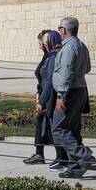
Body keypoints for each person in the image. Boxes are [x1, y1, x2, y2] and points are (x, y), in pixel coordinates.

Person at [50, 16, 94, 179]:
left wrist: (61, 96)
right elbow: (87, 68)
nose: (59, 31)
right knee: (72, 130)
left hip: (69, 93)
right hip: (80, 90)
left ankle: (83, 155)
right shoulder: (81, 46)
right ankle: (75, 166)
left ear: (64, 30)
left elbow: (66, 72)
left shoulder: (68, 48)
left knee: (58, 129)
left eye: (60, 28)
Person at [24, 30, 69, 169]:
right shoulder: (48, 56)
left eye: (42, 43)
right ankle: (43, 154)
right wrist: (39, 92)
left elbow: (49, 80)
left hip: (50, 97)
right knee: (43, 125)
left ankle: (63, 158)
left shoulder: (53, 57)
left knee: (52, 127)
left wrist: (42, 100)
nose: (41, 46)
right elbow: (42, 78)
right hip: (44, 95)